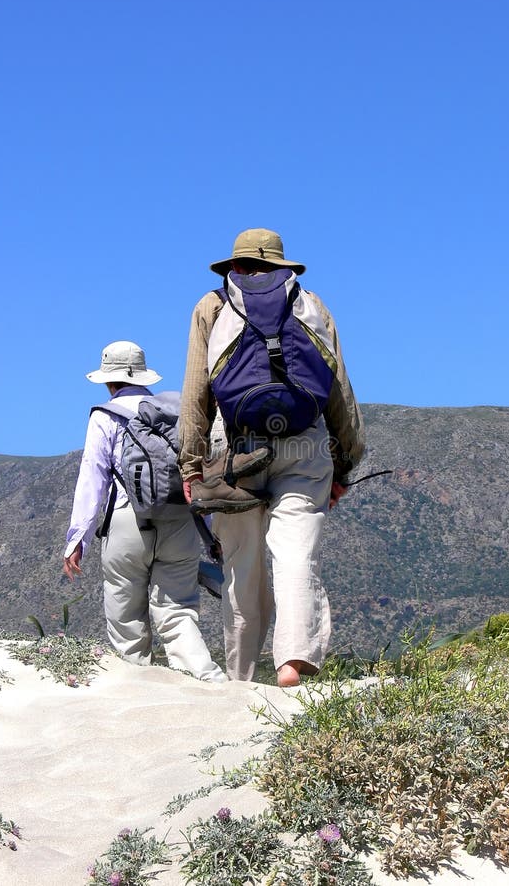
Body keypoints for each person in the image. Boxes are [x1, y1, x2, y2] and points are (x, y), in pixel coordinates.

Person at [179, 228, 365, 687]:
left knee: (242, 566)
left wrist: (190, 464)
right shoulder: (312, 305)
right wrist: (343, 464)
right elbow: (338, 391)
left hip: (235, 448)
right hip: (306, 445)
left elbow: (196, 392)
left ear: (234, 266)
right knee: (296, 554)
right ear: (282, 266)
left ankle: (240, 678)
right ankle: (291, 661)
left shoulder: (212, 306)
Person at [63, 340, 227, 683]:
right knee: (178, 611)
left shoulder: (105, 416)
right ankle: (208, 682)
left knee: (126, 618)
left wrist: (78, 540)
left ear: (109, 381)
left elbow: (93, 477)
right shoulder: (176, 413)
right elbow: (196, 474)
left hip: (127, 522)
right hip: (181, 519)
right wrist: (211, 534)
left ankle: (140, 690)